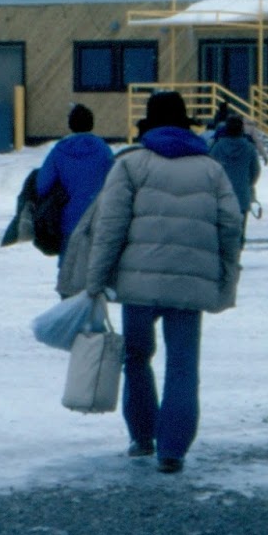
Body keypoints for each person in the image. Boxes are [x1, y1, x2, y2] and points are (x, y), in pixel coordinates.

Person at [80, 91, 243, 475]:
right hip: (191, 283)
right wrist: (224, 273)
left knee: (136, 358)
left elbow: (110, 227)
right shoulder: (211, 168)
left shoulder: (131, 164)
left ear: (148, 124)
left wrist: (95, 279)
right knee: (183, 365)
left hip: (138, 284)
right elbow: (231, 225)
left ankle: (142, 436)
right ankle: (173, 449)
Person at [36, 104, 114, 248]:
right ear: (91, 124)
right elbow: (114, 183)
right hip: (97, 219)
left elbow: (42, 186)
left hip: (68, 220)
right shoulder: (104, 150)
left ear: (70, 125)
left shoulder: (59, 150)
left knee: (68, 267)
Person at [208, 112, 261, 242]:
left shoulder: (218, 147)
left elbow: (210, 168)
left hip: (221, 195)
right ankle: (237, 255)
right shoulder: (249, 148)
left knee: (221, 232)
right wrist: (249, 184)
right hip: (242, 194)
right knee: (240, 231)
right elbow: (255, 171)